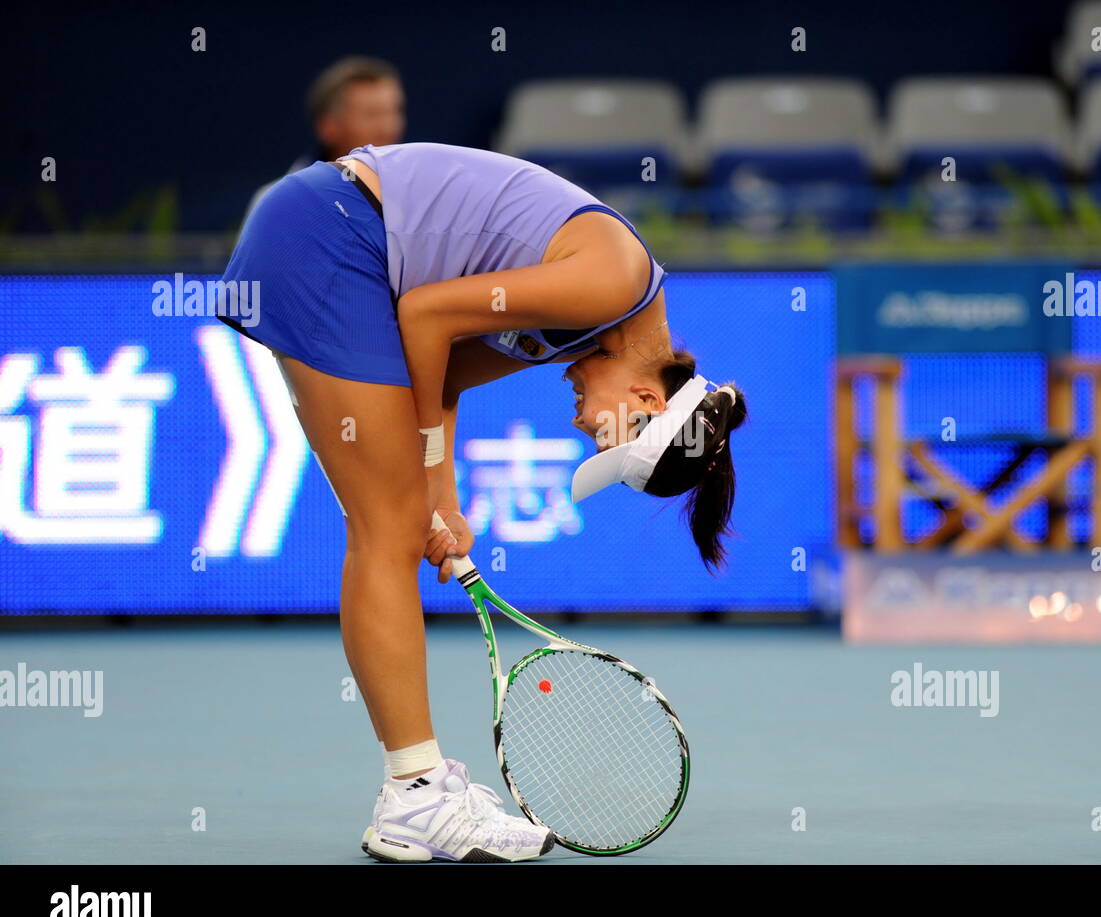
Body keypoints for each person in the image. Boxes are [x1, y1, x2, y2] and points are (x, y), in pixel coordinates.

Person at [216, 141, 747, 863]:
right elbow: (427, 316)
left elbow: (444, 374)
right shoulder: (608, 283)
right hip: (333, 235)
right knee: (388, 529)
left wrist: (445, 498)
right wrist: (426, 486)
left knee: (393, 523)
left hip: (330, 237)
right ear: (648, 400)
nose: (581, 428)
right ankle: (415, 792)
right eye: (607, 441)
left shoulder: (595, 322)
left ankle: (417, 786)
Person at [242, 56, 405, 222]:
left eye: (394, 112)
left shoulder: (417, 195)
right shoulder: (276, 202)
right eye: (372, 115)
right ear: (328, 127)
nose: (388, 127)